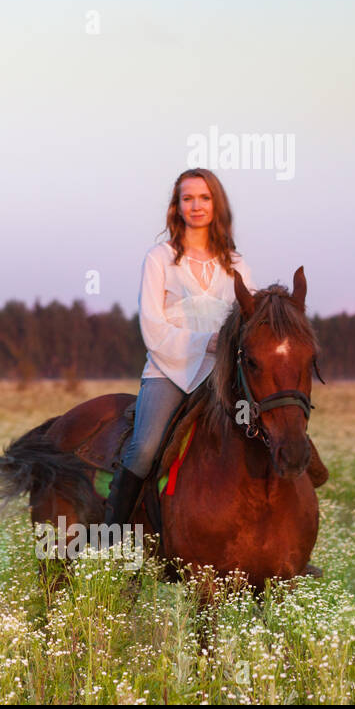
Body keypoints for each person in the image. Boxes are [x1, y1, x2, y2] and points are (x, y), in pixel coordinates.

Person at [105, 167, 248, 530]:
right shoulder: (159, 258)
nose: (196, 206)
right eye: (188, 198)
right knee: (145, 449)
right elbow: (152, 328)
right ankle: (112, 539)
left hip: (224, 372)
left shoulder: (236, 264)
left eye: (204, 198)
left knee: (268, 431)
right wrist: (206, 343)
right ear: (177, 206)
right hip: (169, 371)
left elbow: (251, 318)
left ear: (216, 204)